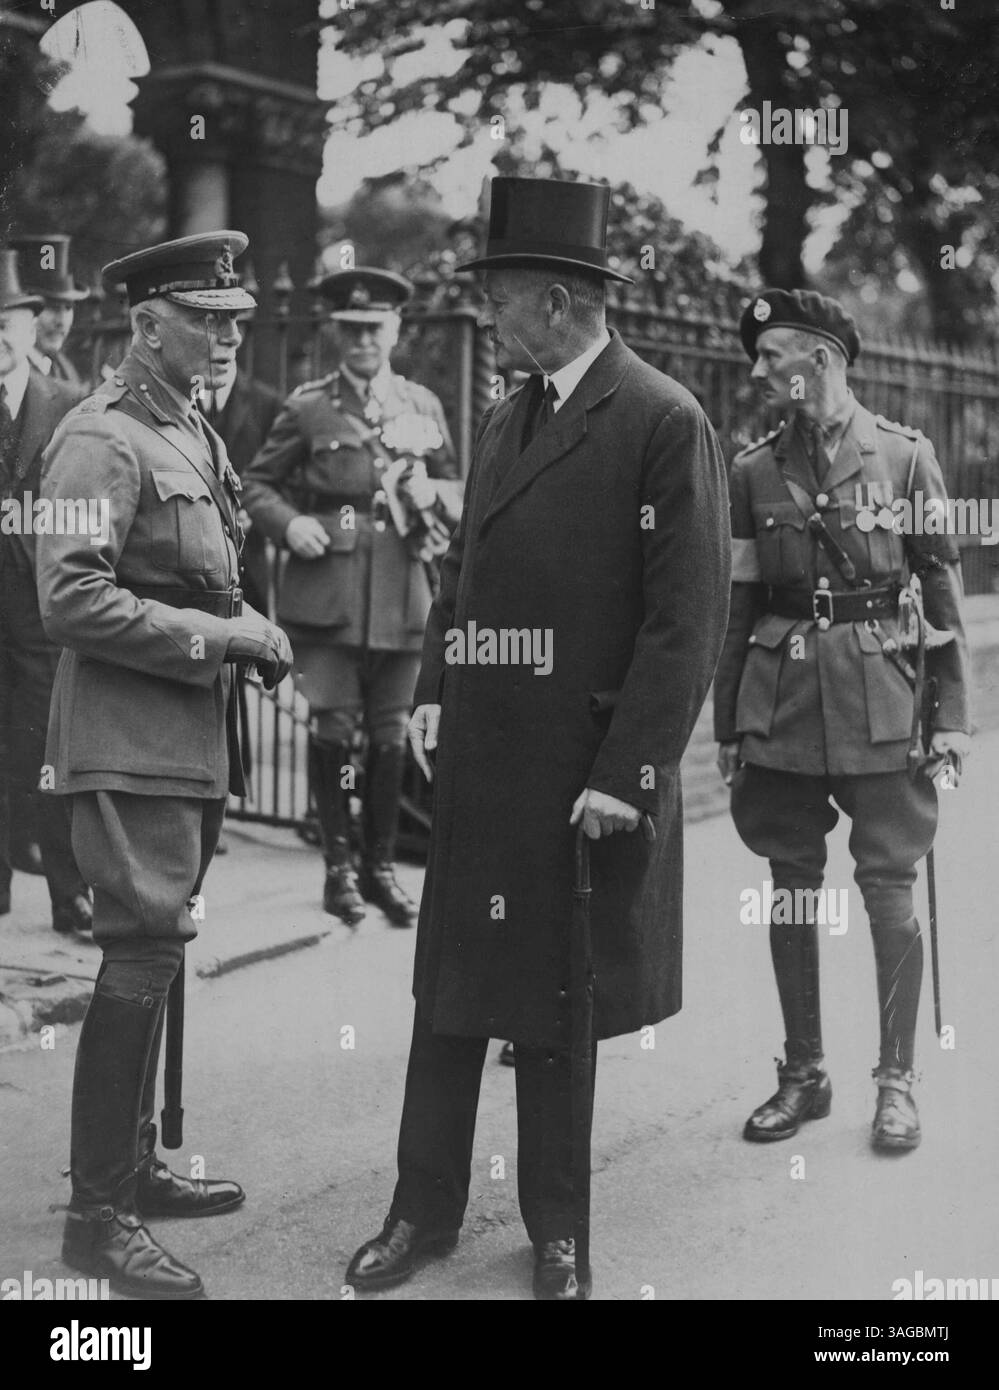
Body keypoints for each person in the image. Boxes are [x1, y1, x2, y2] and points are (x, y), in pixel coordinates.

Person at [345, 176, 731, 1299]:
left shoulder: (665, 419)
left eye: (498, 295)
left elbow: (687, 623)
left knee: (561, 1004)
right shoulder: (509, 412)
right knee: (453, 997)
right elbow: (461, 574)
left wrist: (632, 775)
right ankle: (421, 1214)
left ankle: (559, 1230)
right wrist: (429, 684)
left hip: (577, 778)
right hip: (480, 767)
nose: (487, 315)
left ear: (557, 302)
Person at [36, 231, 293, 1300]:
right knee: (137, 956)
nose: (231, 331)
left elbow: (201, 570)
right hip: (124, 742)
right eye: (210, 316)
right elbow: (69, 597)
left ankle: (131, 1168)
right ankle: (96, 1217)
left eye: (236, 315)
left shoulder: (185, 426)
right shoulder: (99, 436)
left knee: (153, 951)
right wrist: (226, 638)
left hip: (176, 743)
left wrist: (240, 623)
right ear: (147, 324)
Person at [713, 288, 971, 1153]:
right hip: (780, 702)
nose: (755, 371)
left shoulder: (903, 460)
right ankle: (801, 1074)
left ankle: (894, 1080)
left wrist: (952, 719)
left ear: (817, 361)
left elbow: (940, 589)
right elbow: (739, 603)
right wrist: (725, 725)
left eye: (768, 356)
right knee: (790, 888)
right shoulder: (750, 470)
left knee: (889, 891)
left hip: (881, 697)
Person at [242, 268, 461, 927]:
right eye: (352, 329)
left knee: (393, 735)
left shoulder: (421, 406)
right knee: (334, 730)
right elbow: (255, 484)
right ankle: (337, 870)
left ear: (395, 330)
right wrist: (290, 523)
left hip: (401, 594)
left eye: (375, 328)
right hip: (328, 597)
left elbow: (457, 488)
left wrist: (433, 496)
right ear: (336, 332)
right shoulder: (307, 406)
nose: (364, 340)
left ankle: (381, 868)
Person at [0, 247, 91, 933]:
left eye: (13, 317)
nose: (2, 333)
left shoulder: (68, 403)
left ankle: (70, 892)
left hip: (40, 613)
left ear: (32, 328)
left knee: (50, 751)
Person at [9, 234, 90, 391]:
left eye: (68, 307)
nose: (61, 321)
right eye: (51, 308)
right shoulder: (9, 372)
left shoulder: (66, 369)